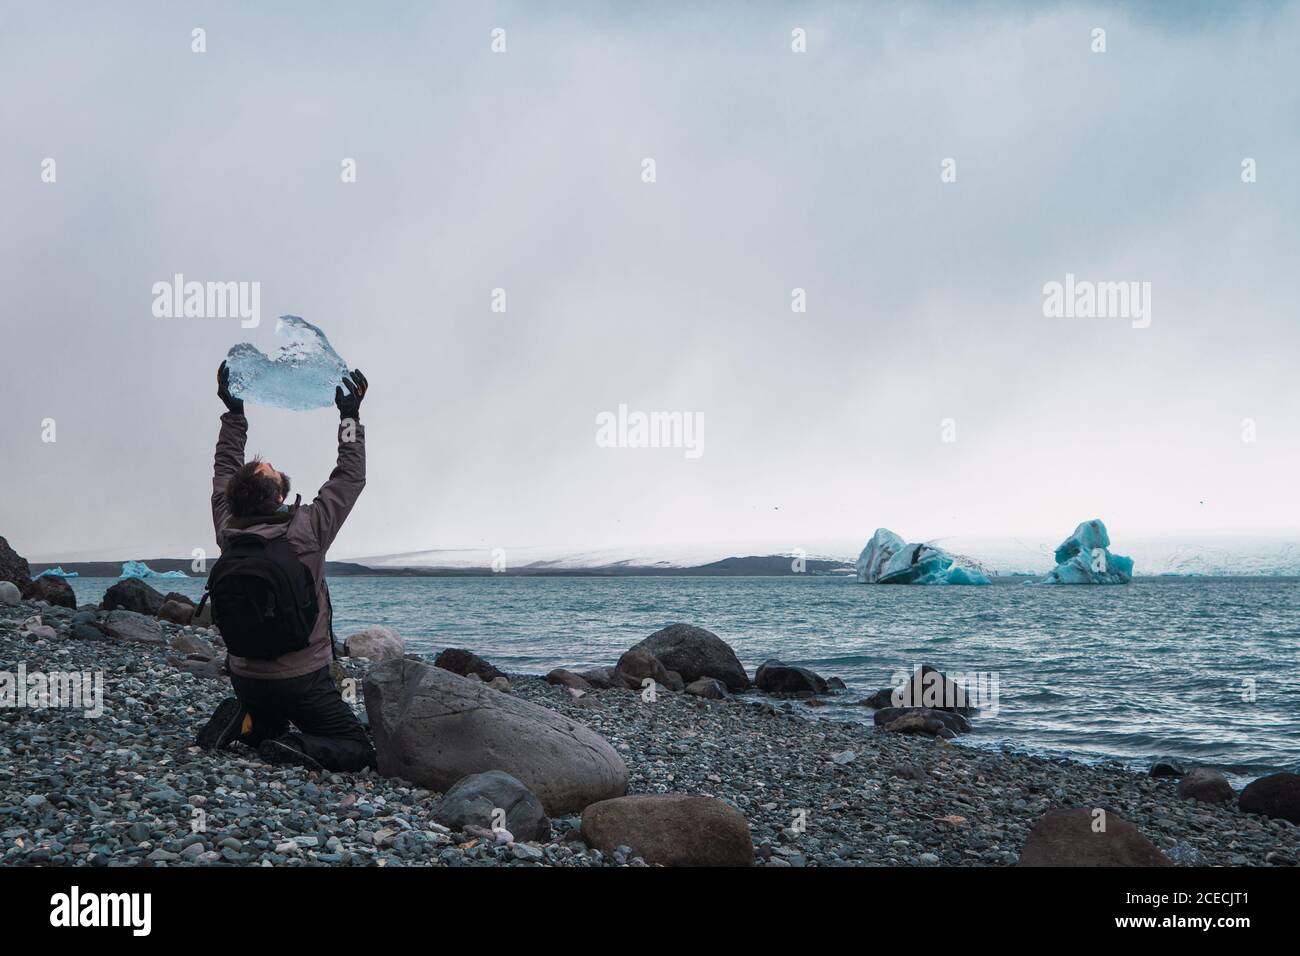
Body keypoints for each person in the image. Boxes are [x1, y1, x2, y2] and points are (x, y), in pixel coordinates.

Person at [195, 361, 376, 772]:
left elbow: (224, 467)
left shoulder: (228, 527)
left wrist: (234, 414)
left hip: (244, 675)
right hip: (302, 679)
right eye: (269, 469)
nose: (272, 463)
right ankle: (297, 747)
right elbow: (350, 476)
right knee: (358, 749)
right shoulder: (308, 528)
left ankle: (247, 725)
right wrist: (350, 416)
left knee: (269, 715)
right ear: (277, 494)